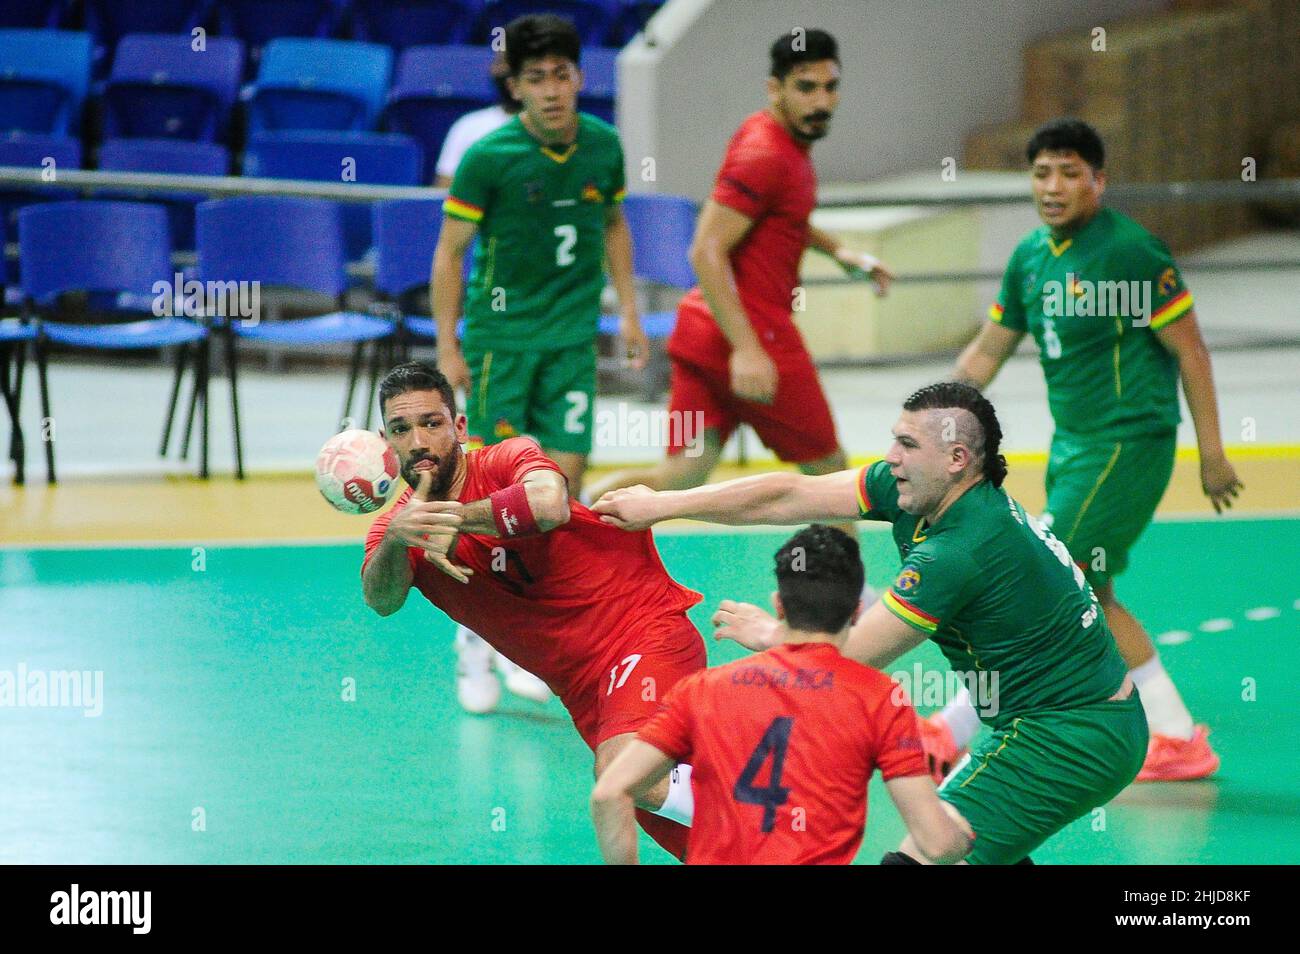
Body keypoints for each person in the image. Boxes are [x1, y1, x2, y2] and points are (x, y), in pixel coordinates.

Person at [594, 383, 1149, 864]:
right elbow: (790, 493)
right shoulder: (922, 492)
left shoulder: (956, 554)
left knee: (922, 857)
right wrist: (663, 504)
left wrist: (772, 634)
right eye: (895, 438)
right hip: (1060, 722)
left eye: (907, 445)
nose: (891, 456)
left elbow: (848, 662)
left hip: (1068, 735)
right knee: (967, 845)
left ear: (957, 458)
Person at [939, 118, 1241, 782]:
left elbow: (1189, 348)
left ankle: (953, 727)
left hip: (1128, 442)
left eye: (1070, 172)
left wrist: (1213, 452)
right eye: (1042, 172)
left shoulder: (1131, 252)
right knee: (1091, 589)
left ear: (1098, 181)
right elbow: (989, 350)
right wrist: (934, 419)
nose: (1053, 186)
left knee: (1044, 572)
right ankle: (1177, 736)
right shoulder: (1030, 258)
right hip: (1075, 446)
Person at [362, 362, 703, 860]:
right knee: (698, 839)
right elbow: (382, 600)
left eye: (431, 423)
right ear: (385, 444)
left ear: (458, 427)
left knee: (626, 775)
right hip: (584, 689)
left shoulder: (505, 458)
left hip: (640, 630)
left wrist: (456, 517)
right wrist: (398, 537)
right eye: (401, 429)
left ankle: (763, 794)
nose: (418, 440)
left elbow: (549, 504)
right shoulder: (398, 531)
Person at [583, 29, 894, 540]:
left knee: (680, 478)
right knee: (832, 474)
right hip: (754, 332)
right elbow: (705, 250)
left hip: (703, 334)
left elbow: (782, 218)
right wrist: (748, 349)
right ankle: (847, 605)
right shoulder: (764, 153)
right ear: (775, 88)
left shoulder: (784, 141)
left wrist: (839, 251)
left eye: (829, 87)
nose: (821, 101)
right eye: (805, 87)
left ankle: (587, 514)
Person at [432, 14, 649, 713]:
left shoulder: (605, 147)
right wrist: (448, 347)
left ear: (580, 78)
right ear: (516, 87)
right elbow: (449, 254)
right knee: (495, 495)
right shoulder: (489, 157)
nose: (552, 91)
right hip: (502, 344)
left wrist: (631, 312)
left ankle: (527, 636)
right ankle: (475, 640)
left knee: (561, 489)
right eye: (536, 79)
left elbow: (614, 224)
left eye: (562, 75)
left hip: (571, 342)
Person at [591, 524, 974, 865]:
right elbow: (937, 844)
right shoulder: (881, 699)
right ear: (858, 612)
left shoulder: (702, 689)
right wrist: (961, 831)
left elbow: (610, 791)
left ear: (778, 605)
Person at [433, 53, 520, 189]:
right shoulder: (468, 125)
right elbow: (444, 192)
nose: (503, 70)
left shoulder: (557, 127)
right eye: (499, 63)